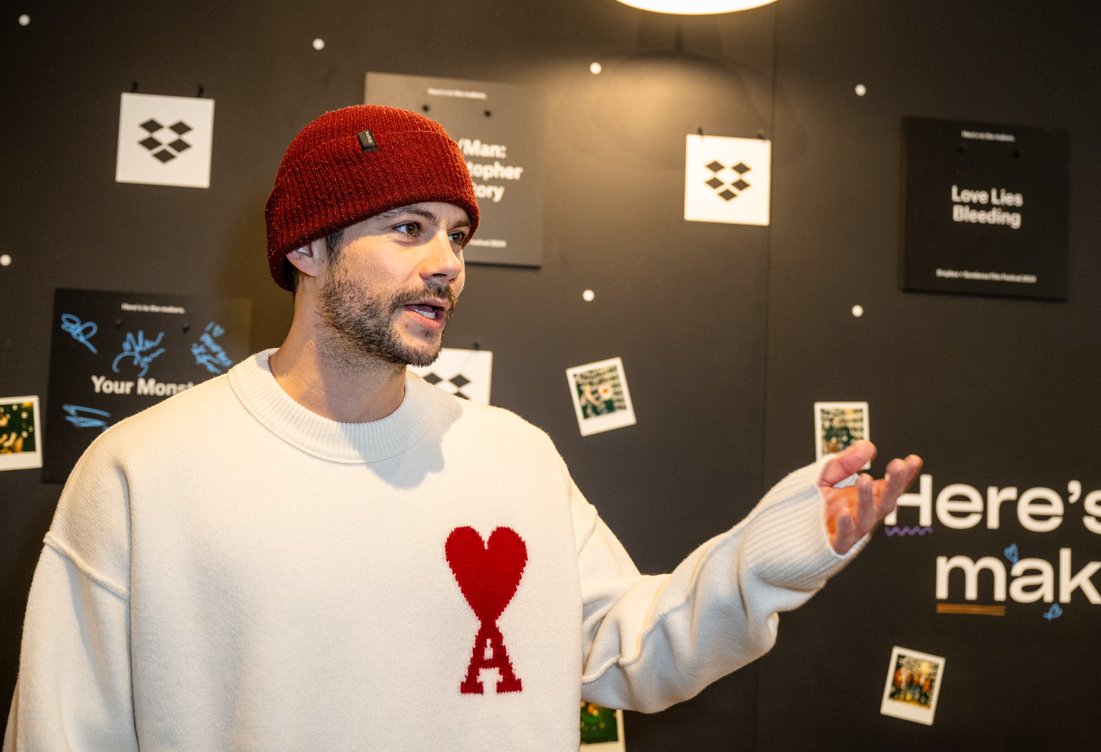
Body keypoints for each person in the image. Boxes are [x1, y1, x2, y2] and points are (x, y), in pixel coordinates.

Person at [3, 105, 922, 751]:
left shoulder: (514, 457)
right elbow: (61, 732)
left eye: (458, 235)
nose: (448, 263)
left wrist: (768, 559)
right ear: (308, 248)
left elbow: (630, 649)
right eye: (409, 229)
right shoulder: (142, 469)